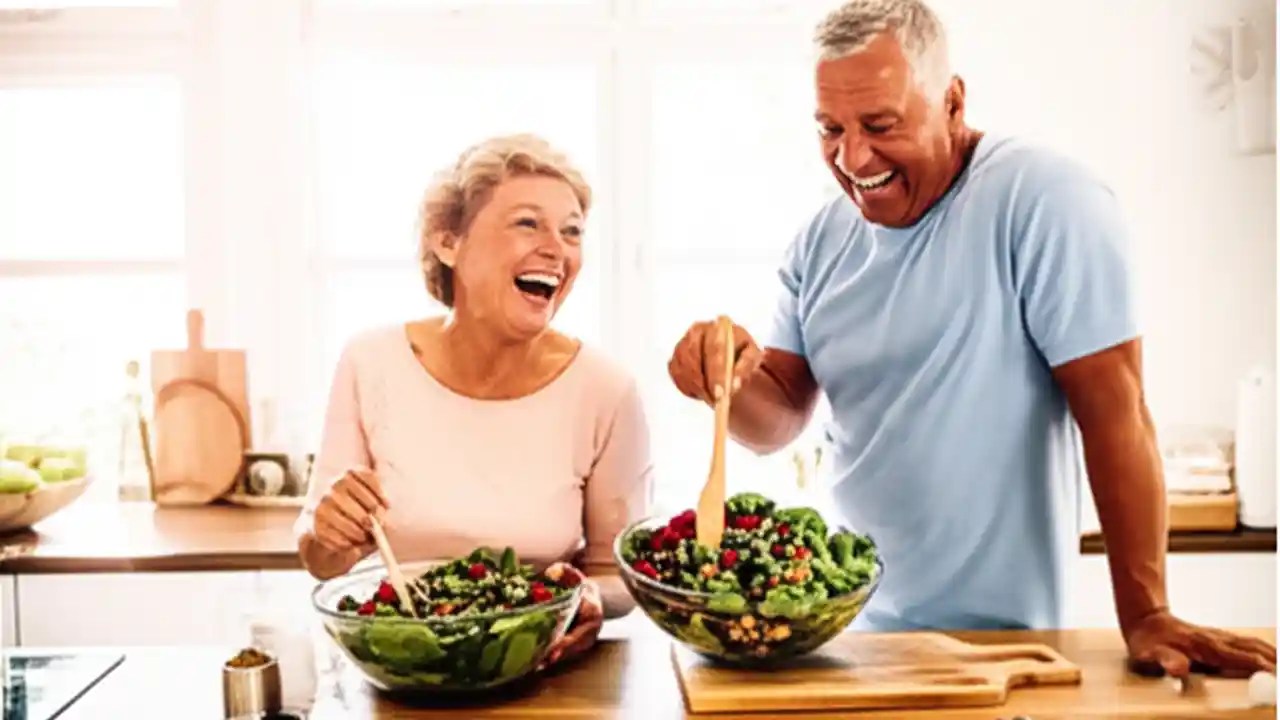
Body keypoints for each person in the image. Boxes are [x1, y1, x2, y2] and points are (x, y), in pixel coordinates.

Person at [667, 0, 1275, 678]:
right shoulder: (820, 242)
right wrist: (729, 379)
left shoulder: (1043, 201)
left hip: (1009, 648)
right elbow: (775, 420)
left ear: (952, 102)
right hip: (853, 645)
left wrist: (1146, 612)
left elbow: (1115, 412)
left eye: (880, 124)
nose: (852, 156)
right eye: (829, 128)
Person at [295, 133, 653, 666]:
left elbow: (616, 570)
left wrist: (590, 598)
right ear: (449, 242)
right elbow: (322, 558)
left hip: (539, 673)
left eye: (572, 231)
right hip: (403, 666)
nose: (557, 247)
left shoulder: (606, 390)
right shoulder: (371, 362)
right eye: (528, 223)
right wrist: (329, 532)